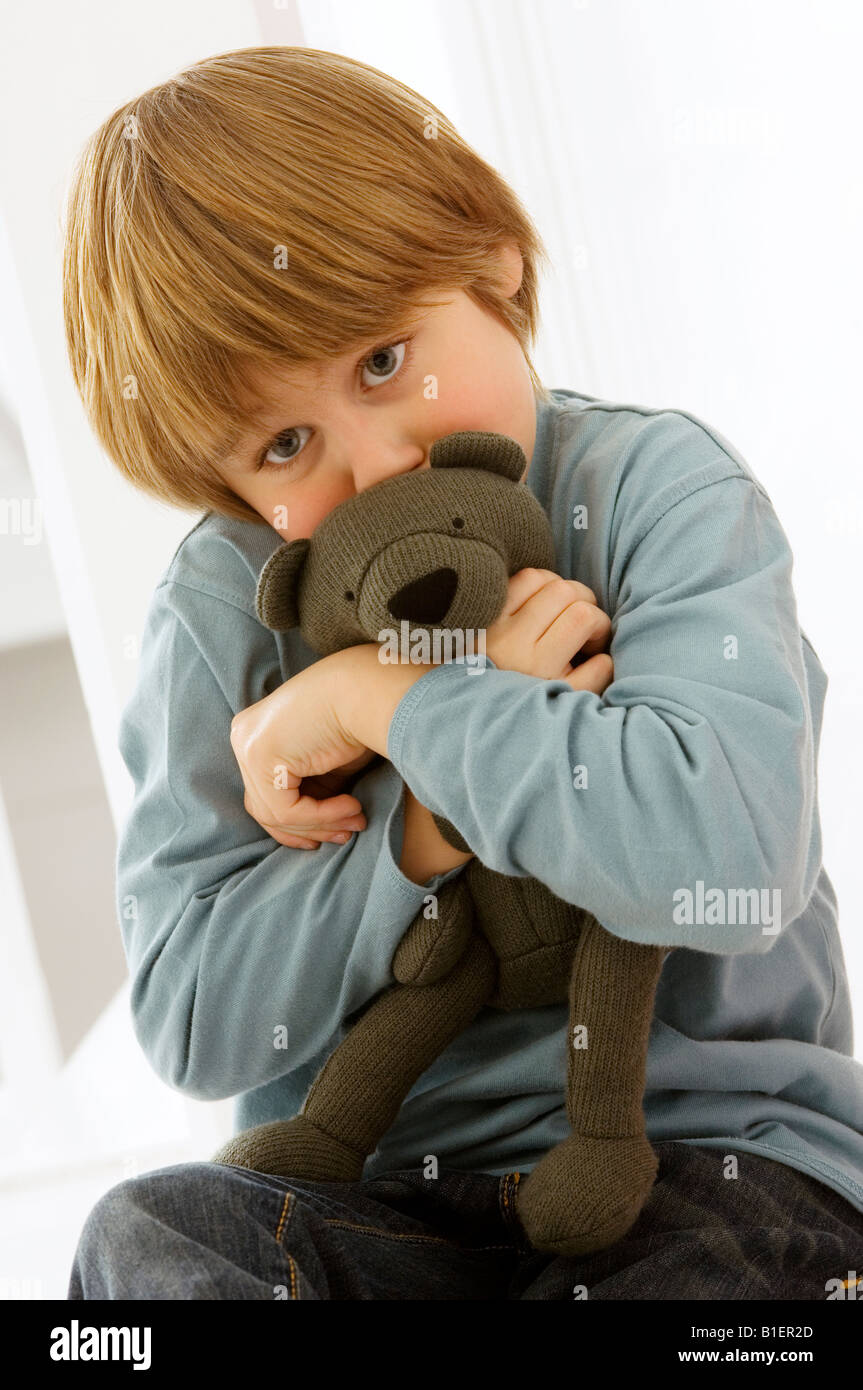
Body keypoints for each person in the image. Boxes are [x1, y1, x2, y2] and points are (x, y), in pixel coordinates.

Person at [62, 46, 863, 1301]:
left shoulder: (661, 494)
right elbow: (192, 1012)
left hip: (709, 1162)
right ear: (230, 489)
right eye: (285, 442)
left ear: (492, 262)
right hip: (371, 1191)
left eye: (385, 360)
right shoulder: (229, 601)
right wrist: (422, 823)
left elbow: (729, 861)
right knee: (143, 1245)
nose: (374, 465)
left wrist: (390, 702)